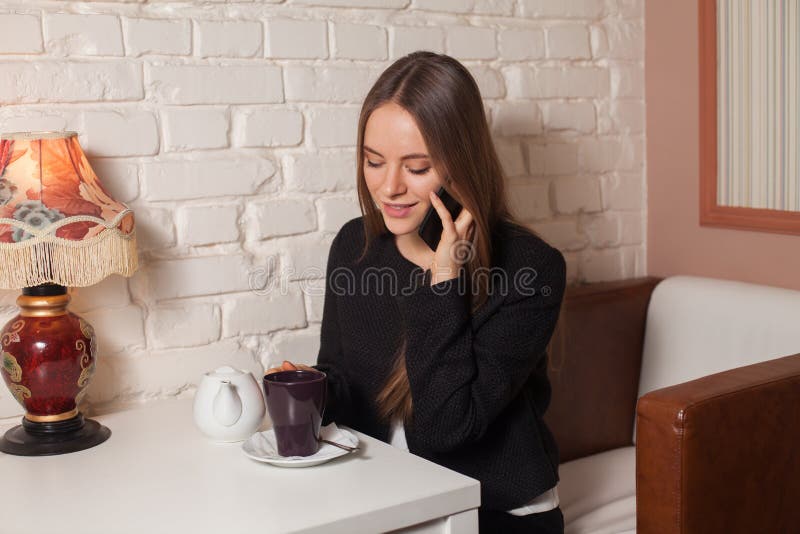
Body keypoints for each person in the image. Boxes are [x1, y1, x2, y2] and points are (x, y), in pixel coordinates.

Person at [266, 51, 567, 534]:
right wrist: (303, 387)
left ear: (459, 164)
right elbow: (346, 382)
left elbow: (448, 426)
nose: (389, 187)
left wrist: (444, 278)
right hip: (388, 500)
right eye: (374, 161)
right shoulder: (355, 245)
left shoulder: (530, 268)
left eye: (417, 166)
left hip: (494, 514)